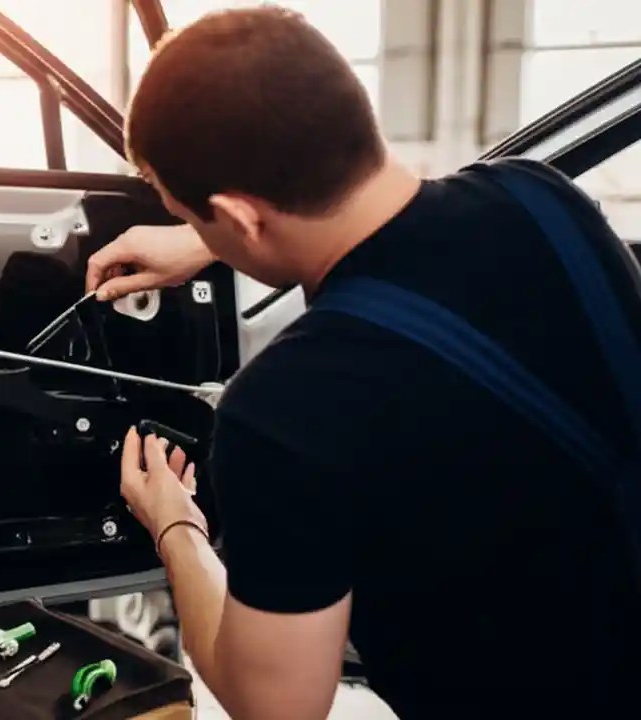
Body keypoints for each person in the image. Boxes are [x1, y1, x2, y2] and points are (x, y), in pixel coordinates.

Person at [88, 6, 641, 719]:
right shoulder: (542, 198)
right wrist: (213, 239)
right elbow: (416, 221)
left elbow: (277, 706)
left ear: (244, 212)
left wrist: (175, 524)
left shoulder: (285, 409)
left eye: (195, 216)